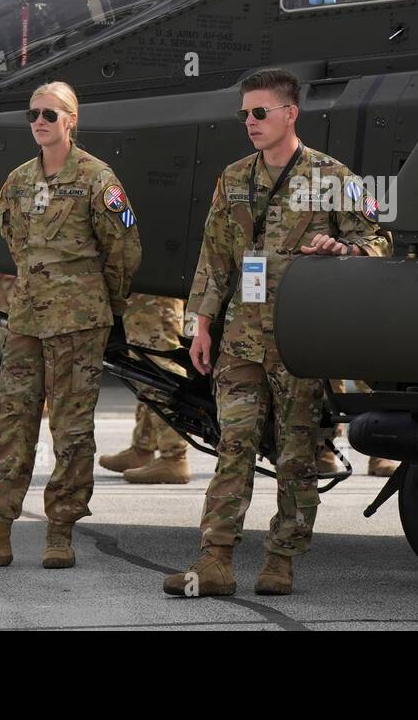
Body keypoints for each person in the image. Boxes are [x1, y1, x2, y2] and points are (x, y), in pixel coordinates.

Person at [163, 68, 391, 598]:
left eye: (260, 112)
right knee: (233, 445)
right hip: (242, 336)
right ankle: (215, 559)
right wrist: (200, 324)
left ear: (291, 113)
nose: (250, 121)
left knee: (296, 453)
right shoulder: (234, 178)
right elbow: (215, 257)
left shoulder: (333, 177)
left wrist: (345, 251)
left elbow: (378, 242)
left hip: (301, 338)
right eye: (245, 113)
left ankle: (282, 559)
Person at [0, 81, 140, 570]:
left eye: (50, 114)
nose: (39, 122)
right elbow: (15, 243)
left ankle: (60, 531)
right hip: (27, 317)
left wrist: (99, 302)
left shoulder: (98, 179)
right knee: (12, 420)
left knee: (71, 427)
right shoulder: (19, 181)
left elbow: (124, 250)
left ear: (72, 120)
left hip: (78, 320)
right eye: (32, 114)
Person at [98, 293, 192, 484]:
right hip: (145, 290)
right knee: (144, 366)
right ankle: (143, 447)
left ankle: (174, 456)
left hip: (155, 291)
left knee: (160, 367)